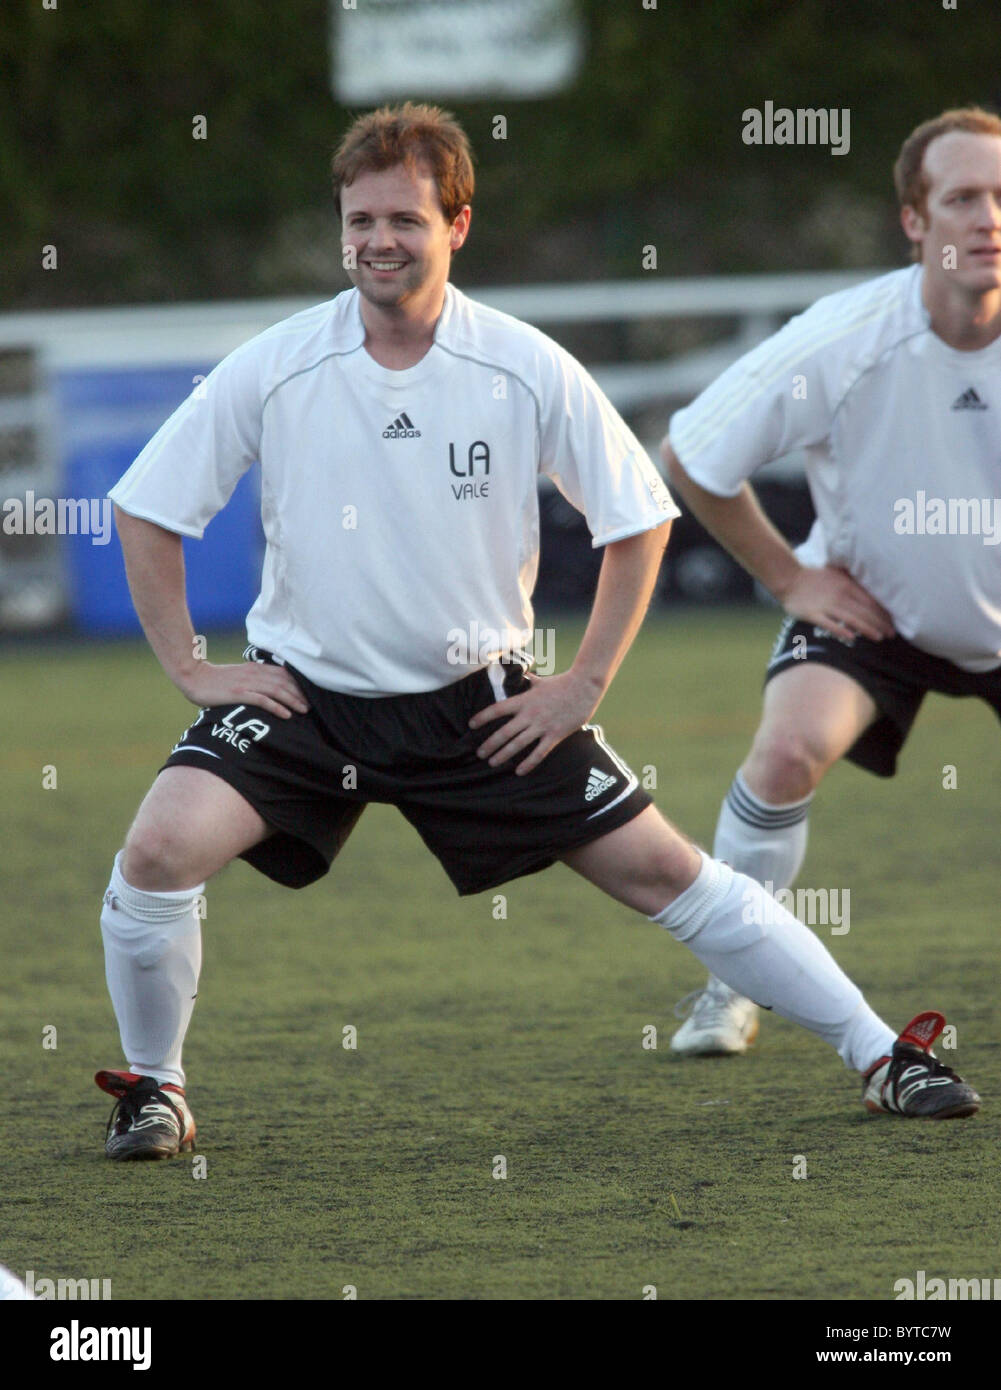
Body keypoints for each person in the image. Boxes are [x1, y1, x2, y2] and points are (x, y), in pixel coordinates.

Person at [95, 103, 980, 1162]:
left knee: (665, 874)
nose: (379, 240)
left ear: (456, 225)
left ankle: (883, 1055)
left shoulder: (520, 364)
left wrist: (579, 686)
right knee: (156, 850)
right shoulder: (275, 364)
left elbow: (639, 518)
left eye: (405, 219)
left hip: (482, 707)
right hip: (305, 704)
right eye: (361, 218)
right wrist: (192, 666)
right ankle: (155, 1090)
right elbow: (146, 508)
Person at [663, 107, 1001, 1057]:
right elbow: (690, 452)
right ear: (913, 220)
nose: (988, 219)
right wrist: (788, 577)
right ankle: (731, 984)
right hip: (878, 613)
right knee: (785, 753)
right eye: (964, 198)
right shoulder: (845, 339)